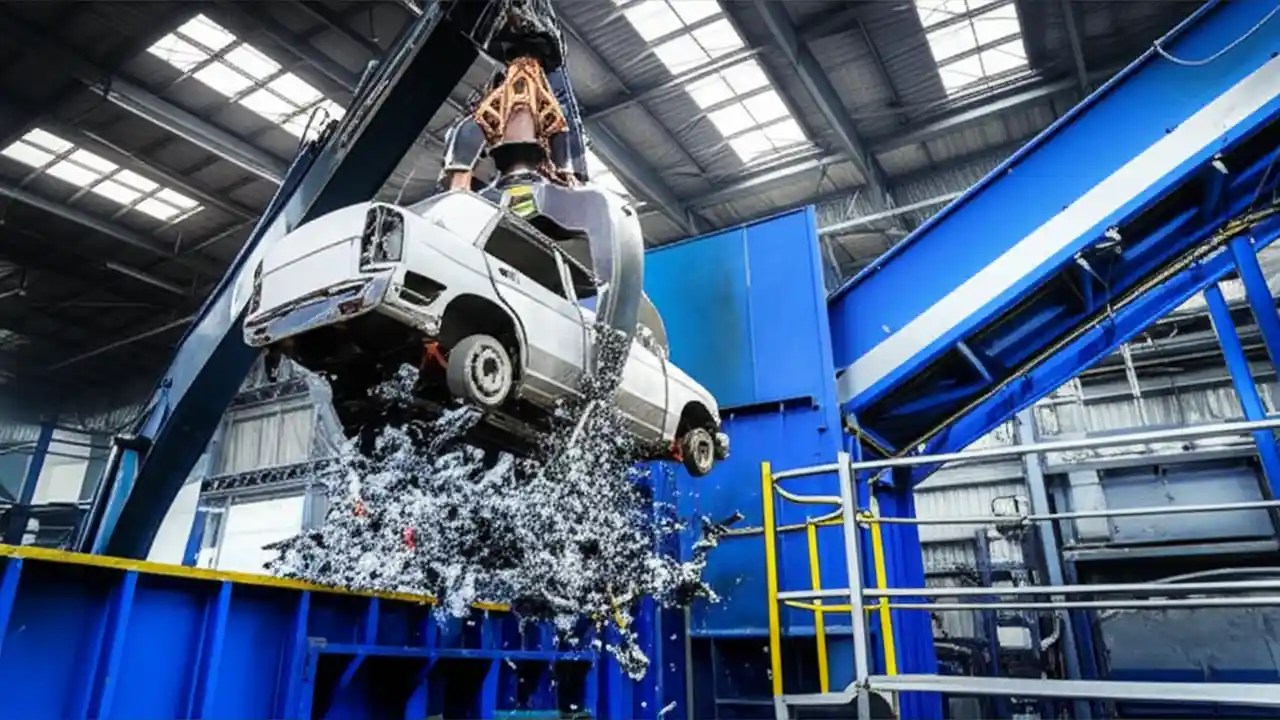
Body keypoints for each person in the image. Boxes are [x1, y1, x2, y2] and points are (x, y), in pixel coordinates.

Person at [438, 0, 589, 191]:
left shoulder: (507, 107)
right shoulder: (539, 107)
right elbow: (560, 128)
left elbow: (560, 129)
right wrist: (566, 170)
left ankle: (460, 180)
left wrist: (565, 170)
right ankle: (460, 180)